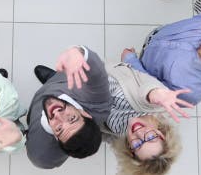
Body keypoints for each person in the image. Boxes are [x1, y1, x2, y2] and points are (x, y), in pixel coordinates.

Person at [34, 61, 188, 175]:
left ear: (131, 151)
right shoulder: (157, 107)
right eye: (150, 138)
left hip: (82, 104)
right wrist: (155, 94)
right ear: (161, 135)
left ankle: (56, 87)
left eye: (138, 145)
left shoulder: (123, 137)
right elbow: (146, 90)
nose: (140, 134)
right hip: (97, 80)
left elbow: (105, 134)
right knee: (73, 78)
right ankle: (57, 78)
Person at [25, 45, 110, 169]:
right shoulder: (99, 104)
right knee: (61, 78)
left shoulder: (41, 154)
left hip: (36, 114)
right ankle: (52, 79)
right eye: (72, 119)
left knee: (32, 117)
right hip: (62, 82)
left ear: (55, 137)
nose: (58, 115)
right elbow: (97, 74)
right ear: (85, 114)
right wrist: (79, 53)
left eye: (59, 129)